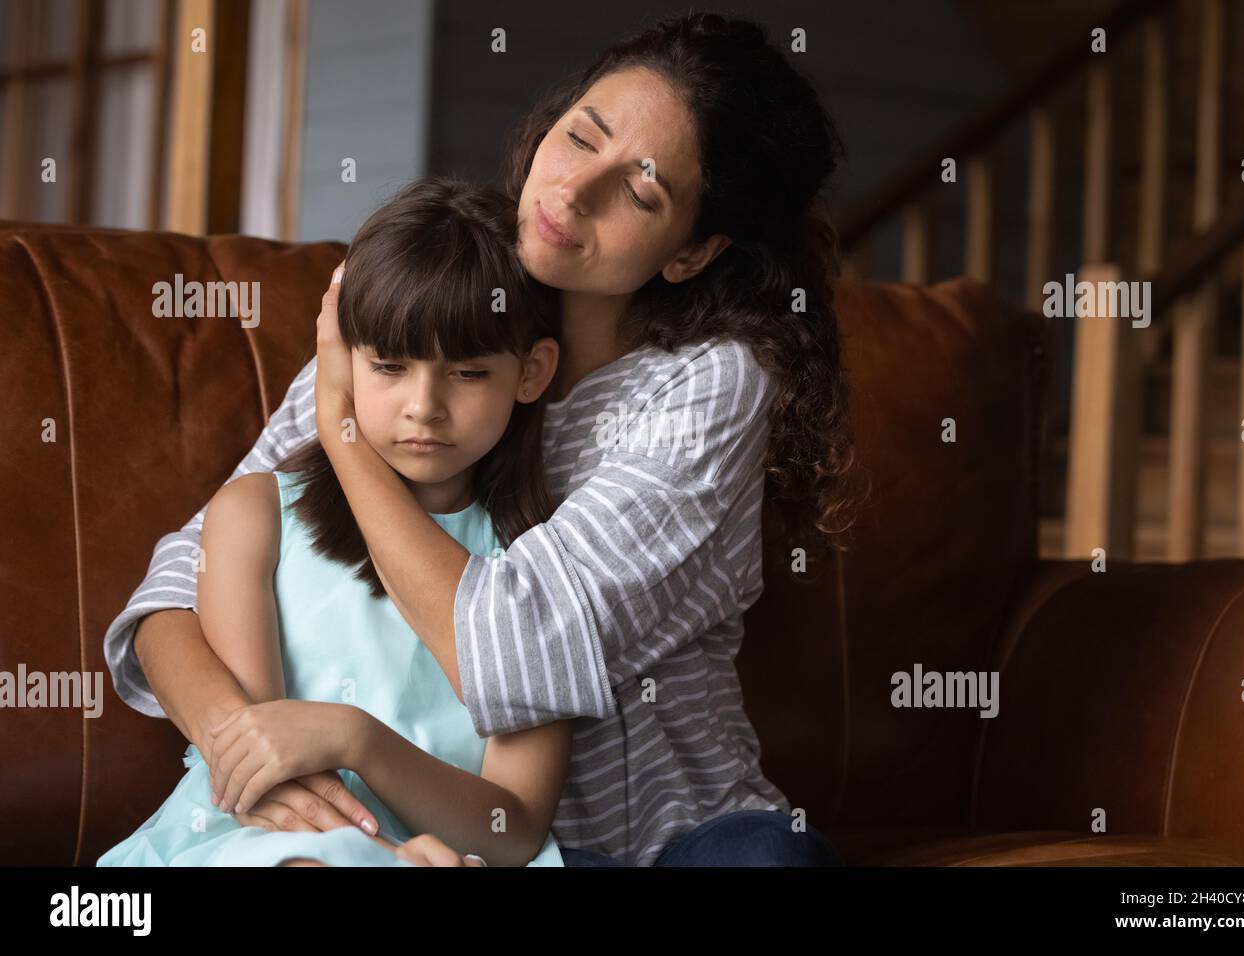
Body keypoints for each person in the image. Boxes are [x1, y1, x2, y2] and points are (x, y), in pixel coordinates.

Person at [103, 12, 857, 866]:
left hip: (665, 840)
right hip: (426, 836)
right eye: (580, 138)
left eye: (641, 194)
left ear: (692, 252)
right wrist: (247, 751)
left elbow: (517, 650)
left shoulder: (706, 388)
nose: (572, 193)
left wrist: (345, 434)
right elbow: (182, 578)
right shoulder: (423, 314)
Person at [99, 178, 567, 867]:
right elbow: (256, 771)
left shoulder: (541, 566)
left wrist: (362, 741)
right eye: (387, 366)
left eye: (466, 373)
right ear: (339, 360)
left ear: (531, 373)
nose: (423, 406)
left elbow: (515, 827)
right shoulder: (255, 516)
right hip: (254, 842)